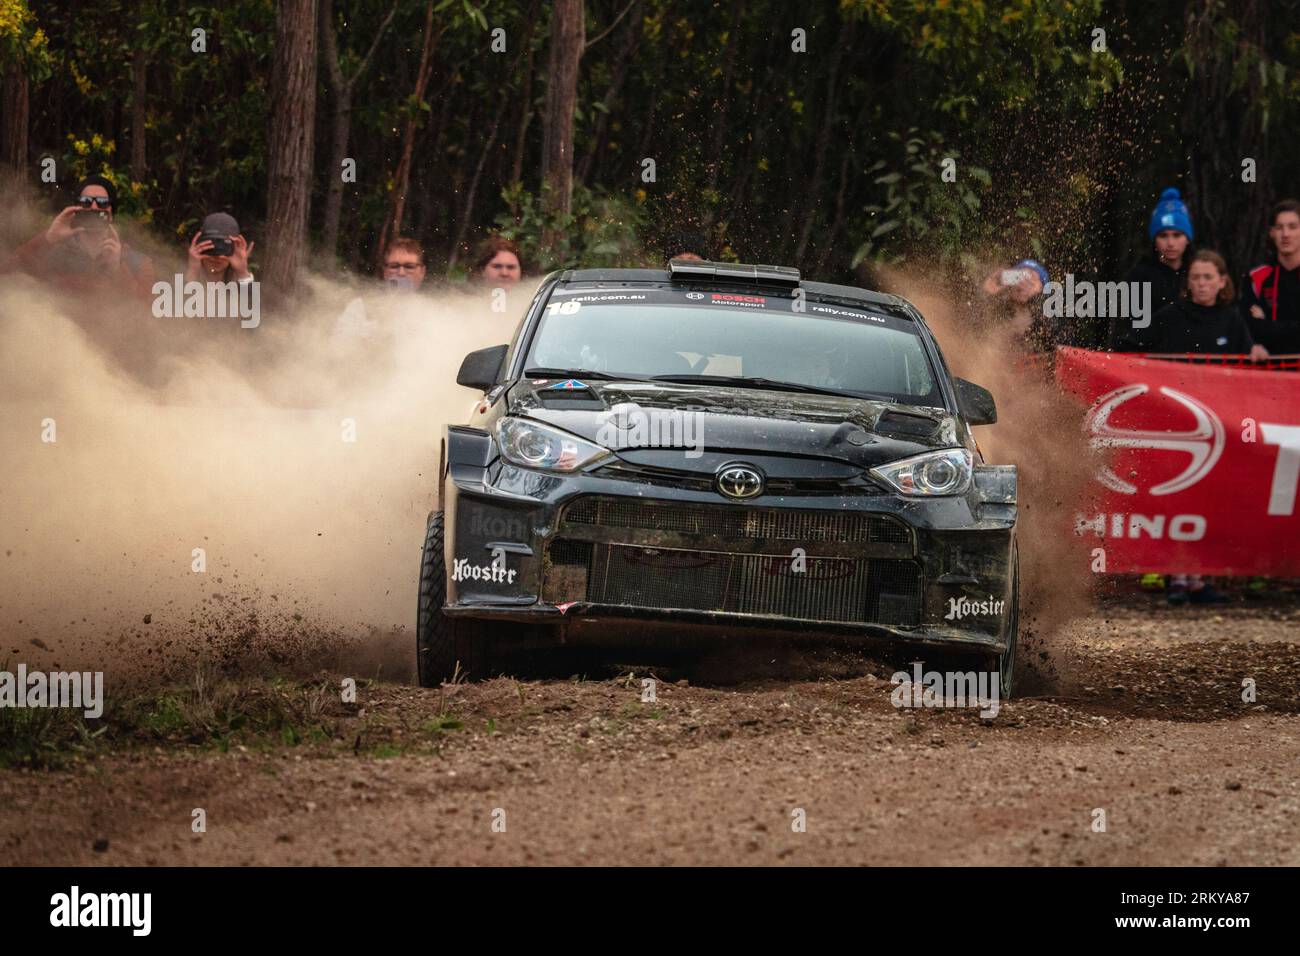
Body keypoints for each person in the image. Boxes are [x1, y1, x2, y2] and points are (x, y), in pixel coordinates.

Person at [5, 175, 155, 298]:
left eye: (102, 203)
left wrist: (118, 270)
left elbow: (146, 314)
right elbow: (8, 275)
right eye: (86, 202)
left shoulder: (136, 262)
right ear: (76, 209)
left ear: (111, 213)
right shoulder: (53, 253)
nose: (94, 207)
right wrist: (48, 238)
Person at [1112, 187, 1193, 351]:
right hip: (1151, 362)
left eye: (1177, 235)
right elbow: (1128, 329)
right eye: (1163, 236)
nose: (1170, 243)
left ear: (1187, 239)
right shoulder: (1139, 277)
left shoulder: (1198, 274)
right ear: (1154, 240)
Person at [1149, 250, 1268, 361]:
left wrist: (1256, 352)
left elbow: (1248, 353)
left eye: (1208, 277)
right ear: (1188, 282)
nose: (1201, 283)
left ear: (1222, 281)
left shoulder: (1232, 318)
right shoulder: (1170, 315)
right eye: (1195, 277)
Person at [1240, 198, 1300, 354]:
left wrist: (1267, 324)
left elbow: (1264, 330)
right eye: (1279, 228)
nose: (1285, 234)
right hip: (1270, 369)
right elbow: (1250, 327)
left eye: (1292, 227)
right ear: (1272, 232)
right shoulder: (1257, 276)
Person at [978, 257, 1055, 352]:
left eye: (1031, 280)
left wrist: (1037, 298)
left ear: (1041, 288)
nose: (1023, 283)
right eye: (1018, 276)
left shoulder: (1046, 322)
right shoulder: (999, 312)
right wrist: (985, 293)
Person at [185, 212, 254, 286]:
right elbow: (177, 297)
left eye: (224, 247)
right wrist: (192, 272)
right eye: (211, 247)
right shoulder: (176, 275)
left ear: (235, 249)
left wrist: (242, 273)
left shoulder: (241, 287)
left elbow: (253, 297)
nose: (217, 256)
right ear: (198, 245)